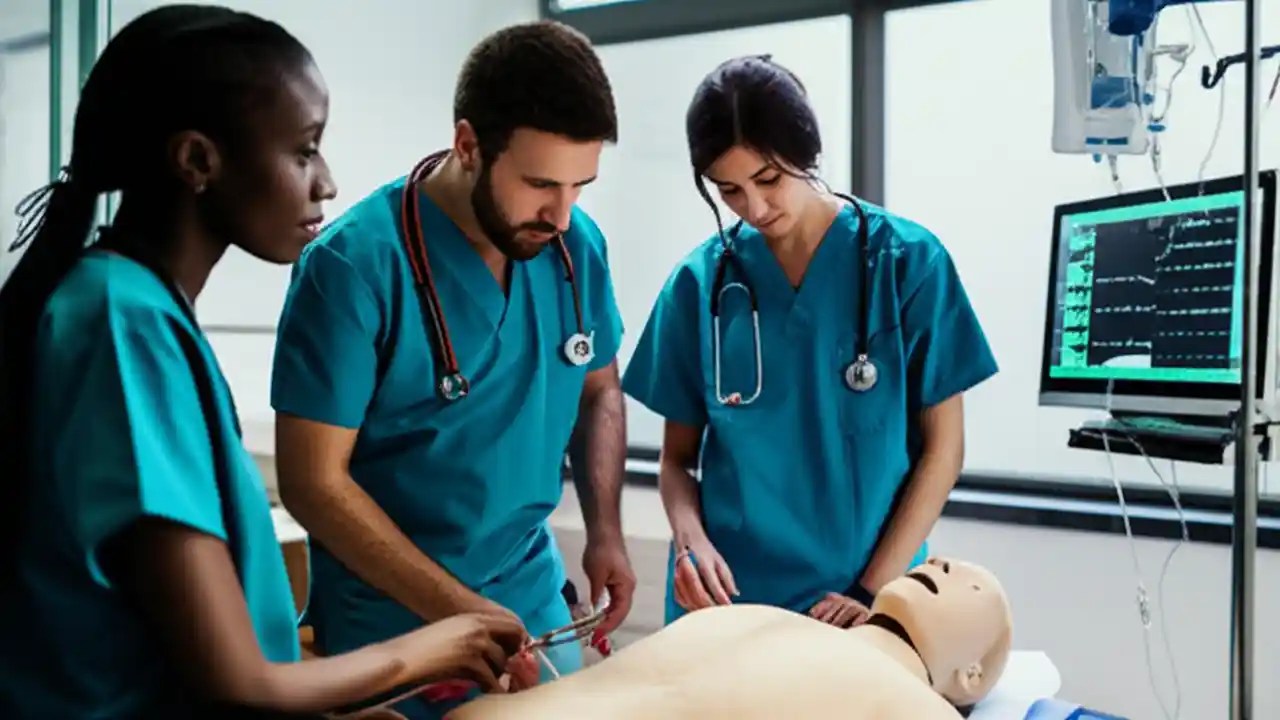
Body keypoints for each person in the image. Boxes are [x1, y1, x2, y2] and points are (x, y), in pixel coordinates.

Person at [0, 6, 528, 718]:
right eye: (305, 150)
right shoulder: (118, 324)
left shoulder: (139, 309)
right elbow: (238, 681)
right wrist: (434, 646)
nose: (328, 182)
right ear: (197, 161)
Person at [269, 20, 635, 719]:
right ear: (468, 145)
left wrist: (607, 533)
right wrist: (464, 616)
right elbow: (313, 483)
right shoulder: (351, 270)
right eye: (539, 184)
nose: (562, 214)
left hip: (529, 600)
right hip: (395, 629)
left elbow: (600, 393)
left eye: (580, 186)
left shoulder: (574, 247)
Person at [622, 55, 999, 628]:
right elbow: (676, 462)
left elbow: (943, 452)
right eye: (729, 190)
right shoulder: (699, 285)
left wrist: (871, 591)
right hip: (727, 604)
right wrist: (690, 539)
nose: (754, 207)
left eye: (768, 179)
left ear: (807, 151)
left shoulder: (908, 264)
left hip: (864, 601)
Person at [446, 557, 1015, 719]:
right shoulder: (767, 620)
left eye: (972, 583)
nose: (944, 562)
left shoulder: (916, 706)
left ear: (973, 676)